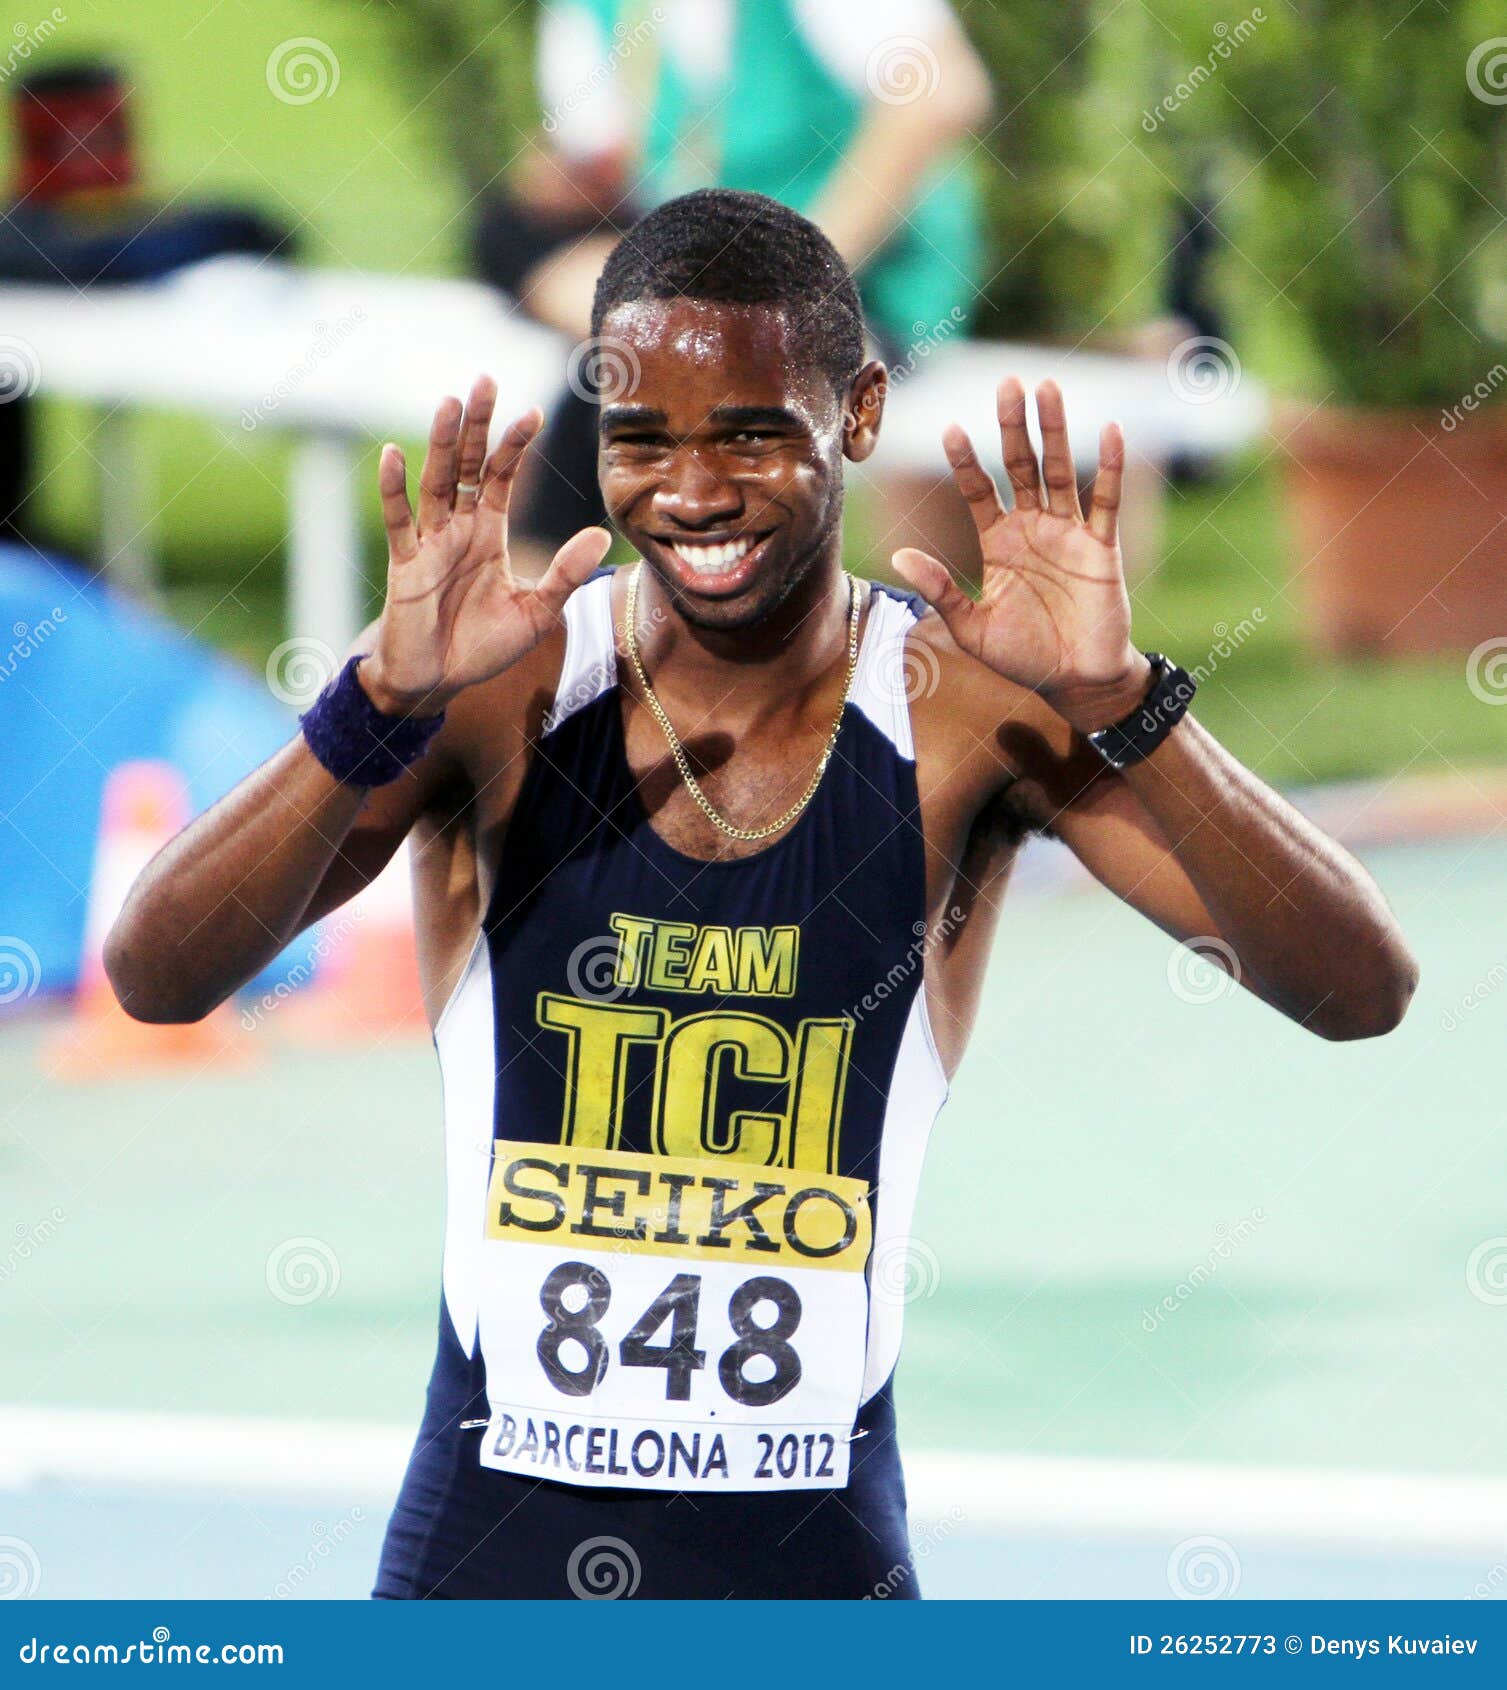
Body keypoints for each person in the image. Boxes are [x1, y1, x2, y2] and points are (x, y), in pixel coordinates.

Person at [104, 189, 1417, 1600]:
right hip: (488, 1576)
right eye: (639, 440)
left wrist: (1123, 703)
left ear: (855, 414)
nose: (690, 490)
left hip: (813, 1581)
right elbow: (155, 976)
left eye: (748, 432)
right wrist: (368, 703)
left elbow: (1356, 991)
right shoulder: (497, 687)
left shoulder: (960, 713)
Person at [481, 0, 991, 576]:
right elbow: (596, 161)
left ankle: (533, 601)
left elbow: (940, 93)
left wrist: (796, 284)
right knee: (523, 246)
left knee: (642, 360)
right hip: (688, 275)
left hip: (863, 284)